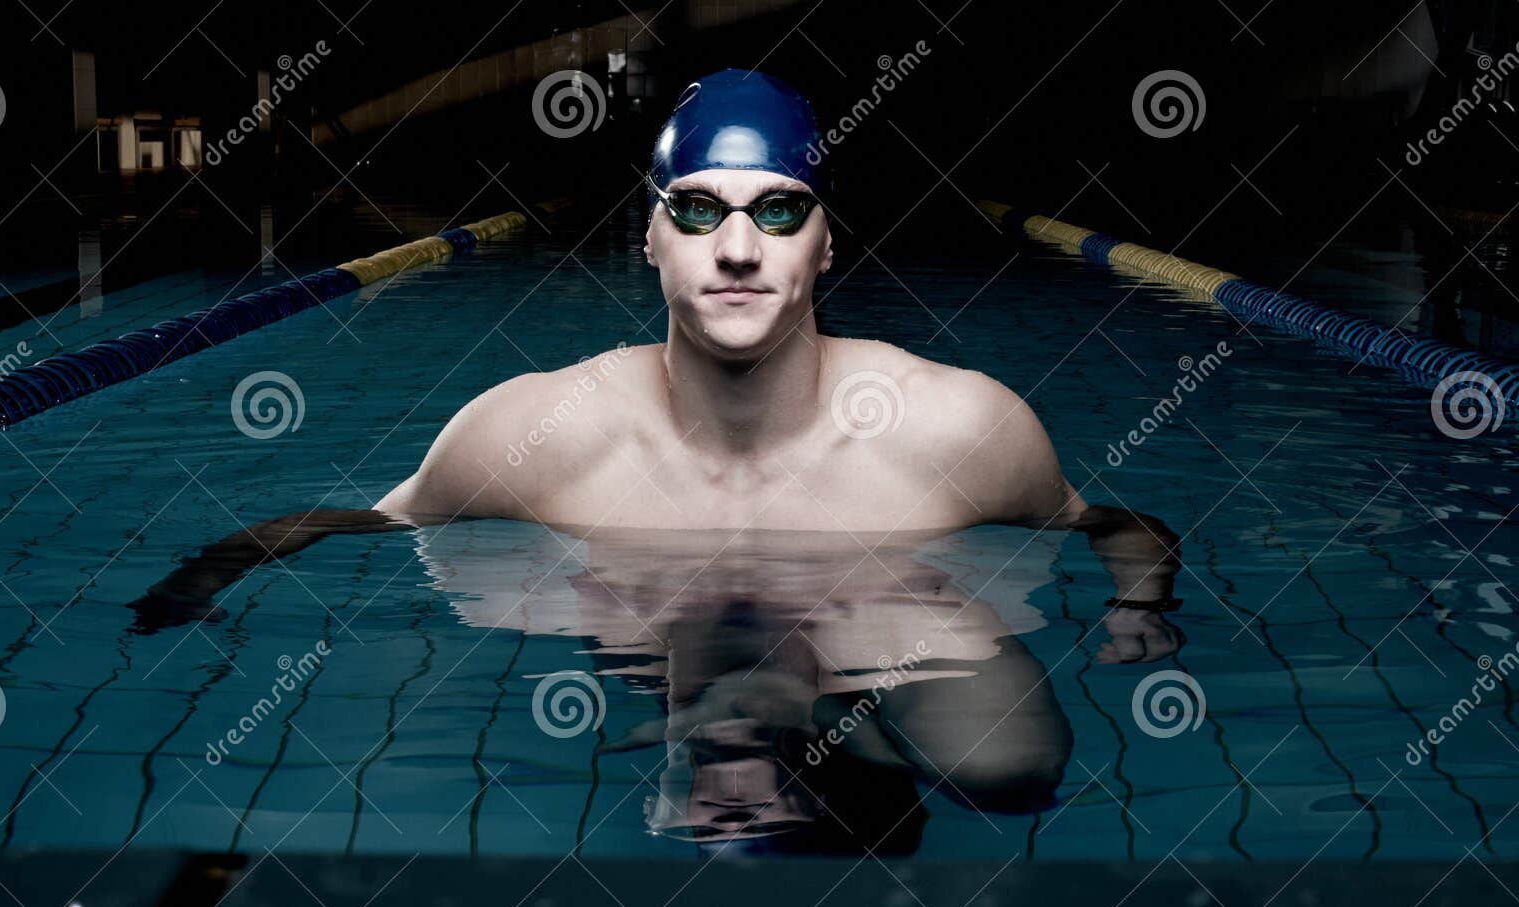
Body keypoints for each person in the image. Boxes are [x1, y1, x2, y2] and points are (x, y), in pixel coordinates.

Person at [128, 69, 1185, 846]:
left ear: (826, 242)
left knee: (1009, 773)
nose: (736, 248)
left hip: (883, 631)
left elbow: (1109, 524)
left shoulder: (953, 427)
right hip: (652, 627)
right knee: (660, 627)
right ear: (651, 237)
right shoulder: (541, 431)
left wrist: (1139, 603)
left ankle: (801, 733)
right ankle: (768, 747)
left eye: (778, 210)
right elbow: (367, 519)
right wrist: (207, 572)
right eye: (698, 210)